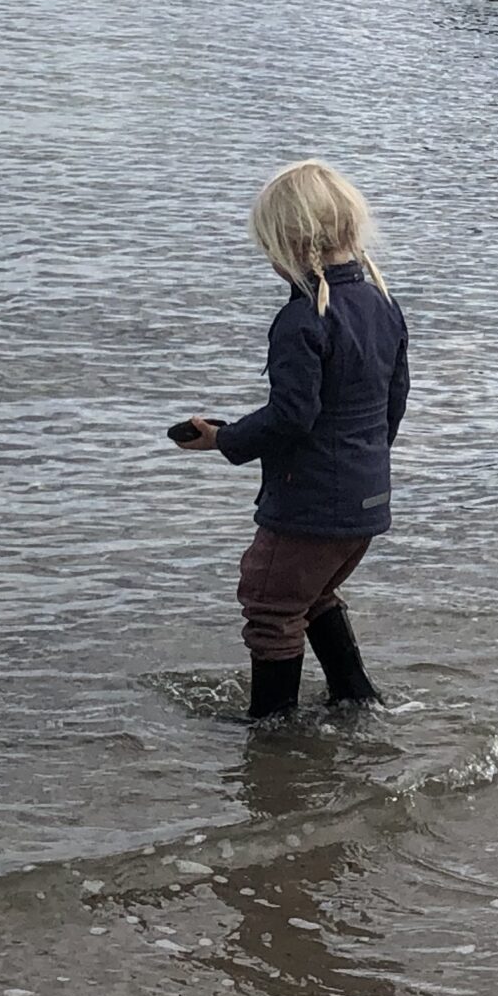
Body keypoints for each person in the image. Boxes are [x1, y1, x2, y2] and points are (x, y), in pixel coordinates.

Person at [174, 160, 410, 720]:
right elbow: (392, 403)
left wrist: (224, 439)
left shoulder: (303, 319)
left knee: (270, 601)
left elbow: (292, 416)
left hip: (310, 504)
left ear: (289, 246)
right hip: (367, 497)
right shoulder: (383, 304)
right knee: (312, 593)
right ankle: (356, 700)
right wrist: (364, 465)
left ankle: (272, 730)